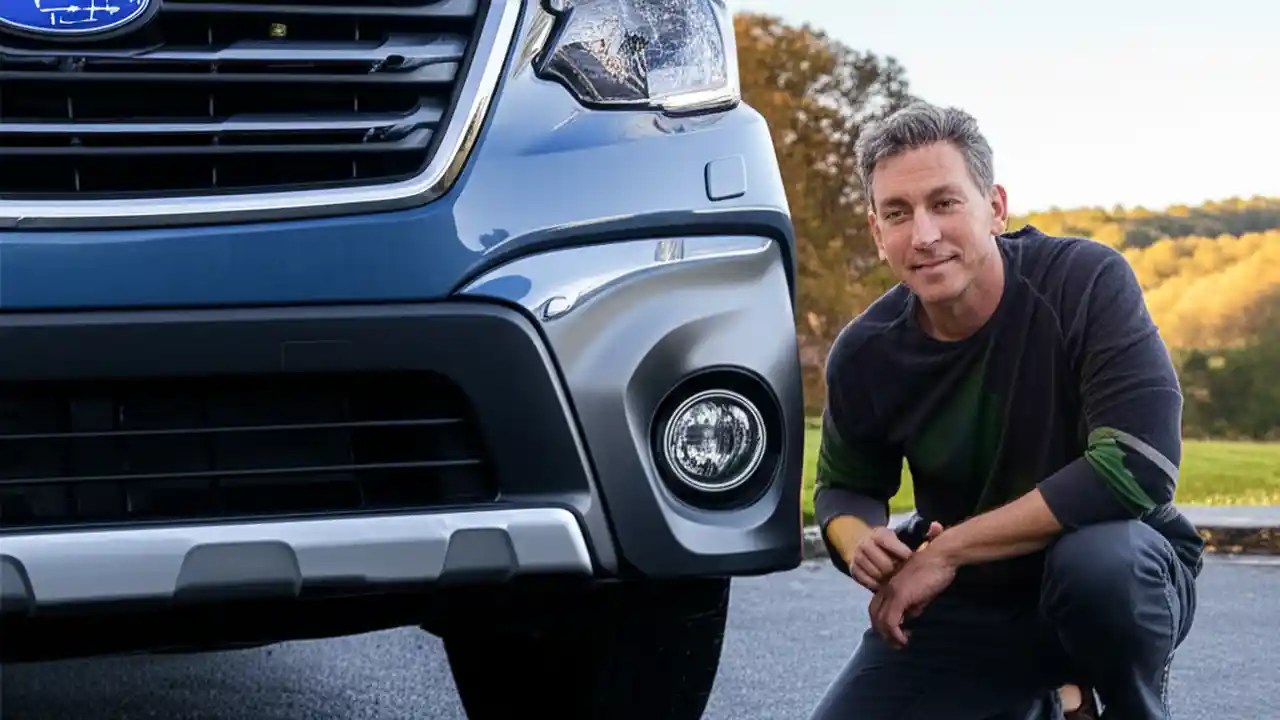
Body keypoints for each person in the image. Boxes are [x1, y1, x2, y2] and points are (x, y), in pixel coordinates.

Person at [806, 101, 1205, 720]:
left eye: (945, 203)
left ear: (995, 207)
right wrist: (861, 542)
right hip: (970, 599)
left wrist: (945, 551)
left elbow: (1138, 465)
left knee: (1100, 571)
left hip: (1109, 577)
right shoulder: (865, 352)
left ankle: (1109, 699)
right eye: (898, 213)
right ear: (876, 233)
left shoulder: (1085, 281)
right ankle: (1046, 699)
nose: (925, 234)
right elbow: (843, 487)